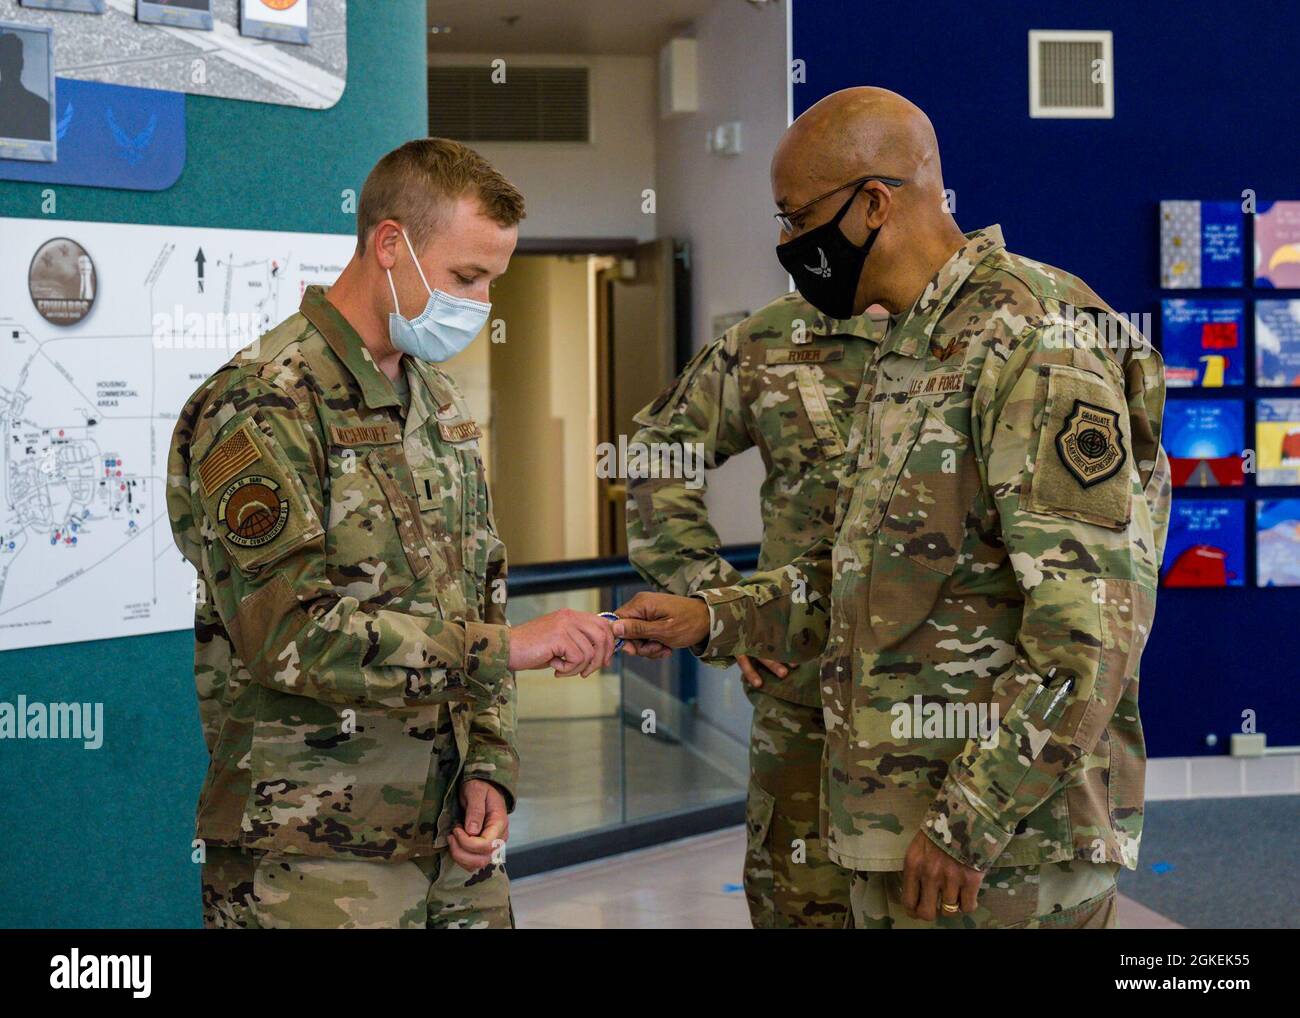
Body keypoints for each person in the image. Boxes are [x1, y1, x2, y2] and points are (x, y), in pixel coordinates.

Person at [614, 87, 1171, 930]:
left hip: (995, 856)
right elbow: (875, 583)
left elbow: (1088, 636)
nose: (786, 244)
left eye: (796, 218)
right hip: (890, 824)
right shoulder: (911, 348)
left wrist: (968, 823)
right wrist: (717, 616)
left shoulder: (1033, 341)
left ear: (874, 203)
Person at [167, 139, 617, 929]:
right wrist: (505, 647)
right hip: (311, 856)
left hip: (452, 841)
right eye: (466, 278)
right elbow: (289, 633)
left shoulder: (436, 402)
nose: (480, 304)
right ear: (389, 245)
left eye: (492, 282)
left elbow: (482, 588)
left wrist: (488, 761)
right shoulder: (260, 404)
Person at [625, 296, 881, 927]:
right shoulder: (771, 340)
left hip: (954, 707)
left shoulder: (986, 328)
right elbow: (658, 450)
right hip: (805, 702)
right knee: (803, 909)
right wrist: (718, 601)